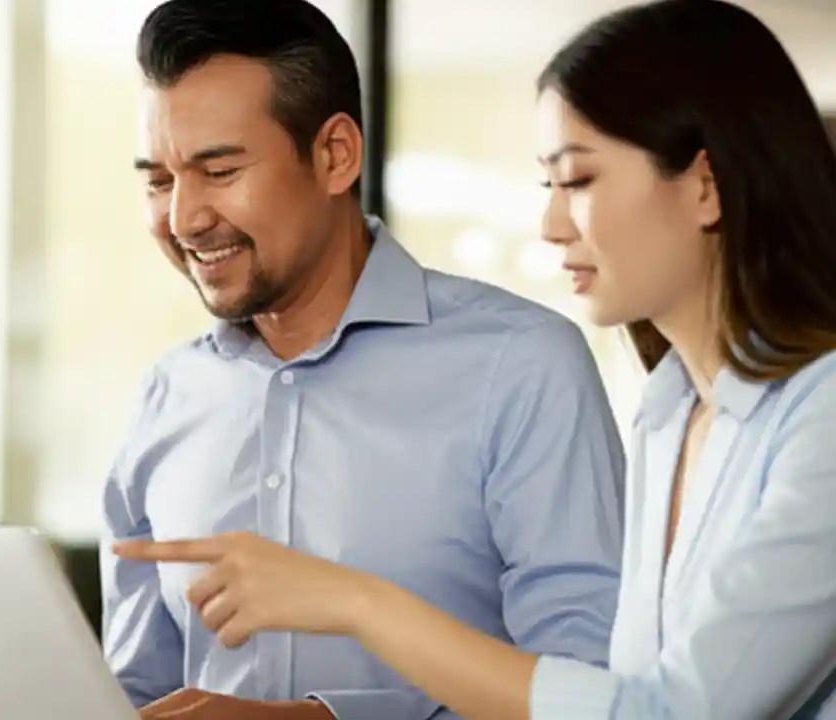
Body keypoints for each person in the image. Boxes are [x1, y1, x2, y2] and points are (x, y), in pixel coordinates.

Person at [116, 1, 836, 718]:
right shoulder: (669, 410)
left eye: (579, 181)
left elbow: (656, 707)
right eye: (158, 180)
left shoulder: (533, 366)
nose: (551, 226)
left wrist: (353, 609)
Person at [101, 1, 627, 718]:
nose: (185, 217)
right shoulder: (168, 395)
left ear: (335, 155)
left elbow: (585, 690)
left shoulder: (521, 365)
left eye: (218, 171)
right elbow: (133, 692)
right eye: (159, 181)